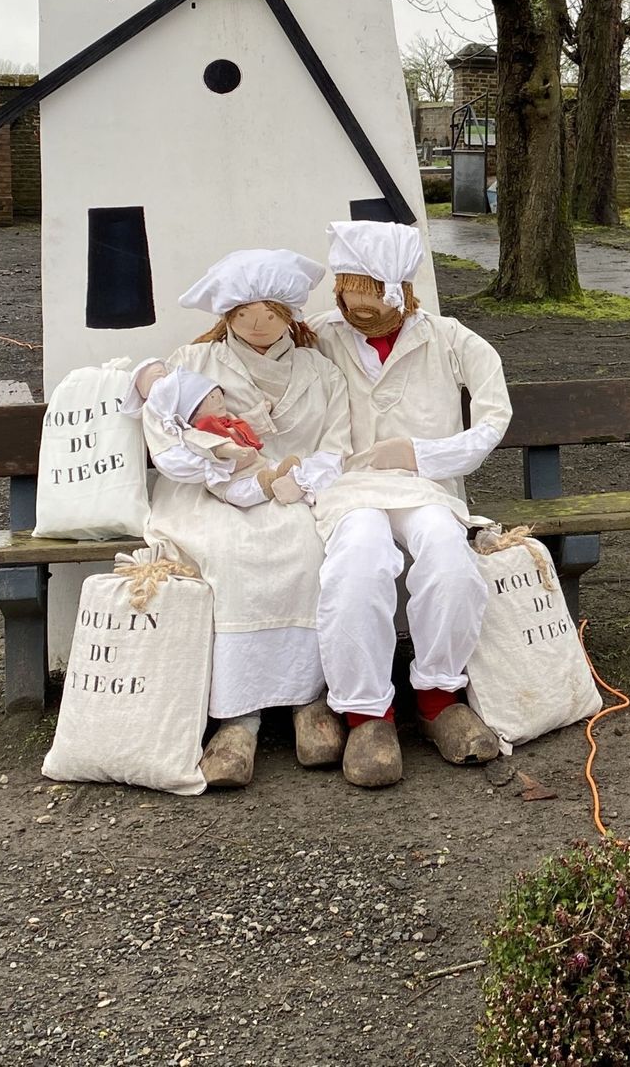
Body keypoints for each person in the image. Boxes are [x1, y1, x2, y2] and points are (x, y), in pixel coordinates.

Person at [131, 248, 352, 787]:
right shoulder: (194, 363)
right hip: (209, 493)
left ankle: (309, 700)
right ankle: (237, 717)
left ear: (290, 315)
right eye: (245, 313)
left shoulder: (320, 370)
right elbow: (167, 437)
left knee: (310, 551)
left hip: (295, 493)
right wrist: (226, 469)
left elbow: (336, 445)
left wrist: (296, 481)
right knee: (229, 556)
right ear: (227, 316)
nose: (259, 324)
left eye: (271, 313)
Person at [308, 220, 512, 788]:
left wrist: (422, 453)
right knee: (358, 561)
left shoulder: (450, 339)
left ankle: (438, 697)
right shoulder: (320, 336)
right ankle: (366, 711)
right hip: (350, 490)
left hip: (425, 488)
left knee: (448, 557)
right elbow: (253, 347)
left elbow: (494, 418)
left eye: (373, 294)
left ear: (401, 289)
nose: (360, 308)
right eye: (350, 294)